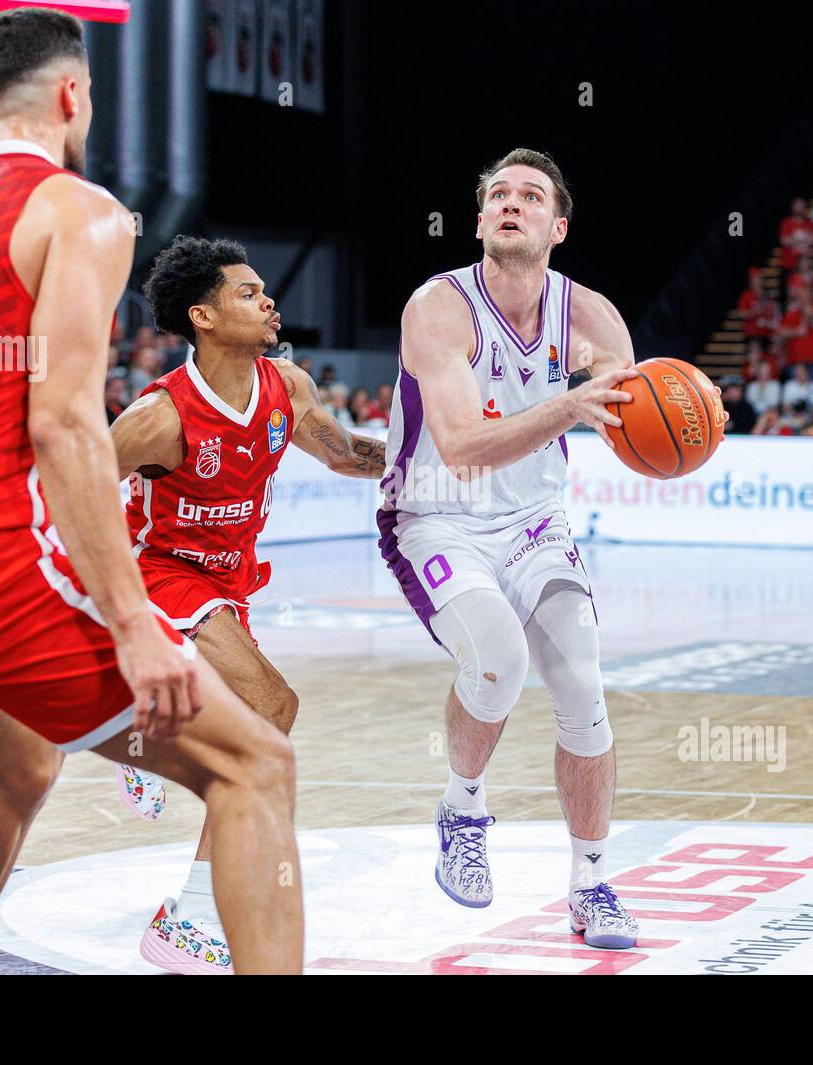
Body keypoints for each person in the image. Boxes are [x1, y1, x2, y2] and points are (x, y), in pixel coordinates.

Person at [0, 7, 302, 975]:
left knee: (24, 762)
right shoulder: (80, 210)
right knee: (256, 763)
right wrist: (133, 624)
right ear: (74, 96)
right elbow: (65, 424)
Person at [377, 147, 652, 949]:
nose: (511, 202)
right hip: (436, 516)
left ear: (557, 226)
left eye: (531, 196)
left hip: (535, 519)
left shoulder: (592, 315)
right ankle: (464, 805)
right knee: (498, 658)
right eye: (498, 193)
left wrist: (687, 421)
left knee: (583, 688)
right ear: (479, 220)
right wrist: (572, 403)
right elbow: (462, 445)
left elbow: (635, 413)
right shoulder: (437, 306)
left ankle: (593, 880)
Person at [107, 236, 387, 973]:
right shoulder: (158, 417)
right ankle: (191, 916)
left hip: (229, 585)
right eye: (248, 293)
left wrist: (433, 457)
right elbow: (76, 489)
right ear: (201, 315)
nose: (270, 302)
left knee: (254, 734)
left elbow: (346, 454)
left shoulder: (286, 387)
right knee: (272, 708)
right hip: (160, 574)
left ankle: (142, 722)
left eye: (267, 291)